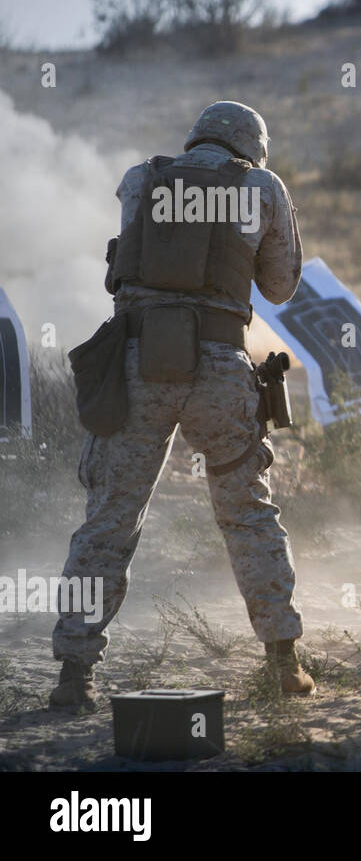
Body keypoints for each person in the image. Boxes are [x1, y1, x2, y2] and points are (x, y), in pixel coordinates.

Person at [50, 101, 312, 709]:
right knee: (248, 513)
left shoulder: (141, 178)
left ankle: (73, 677)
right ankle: (284, 665)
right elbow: (280, 286)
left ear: (196, 138)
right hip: (219, 367)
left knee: (110, 520)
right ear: (251, 147)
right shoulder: (262, 186)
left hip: (137, 361)